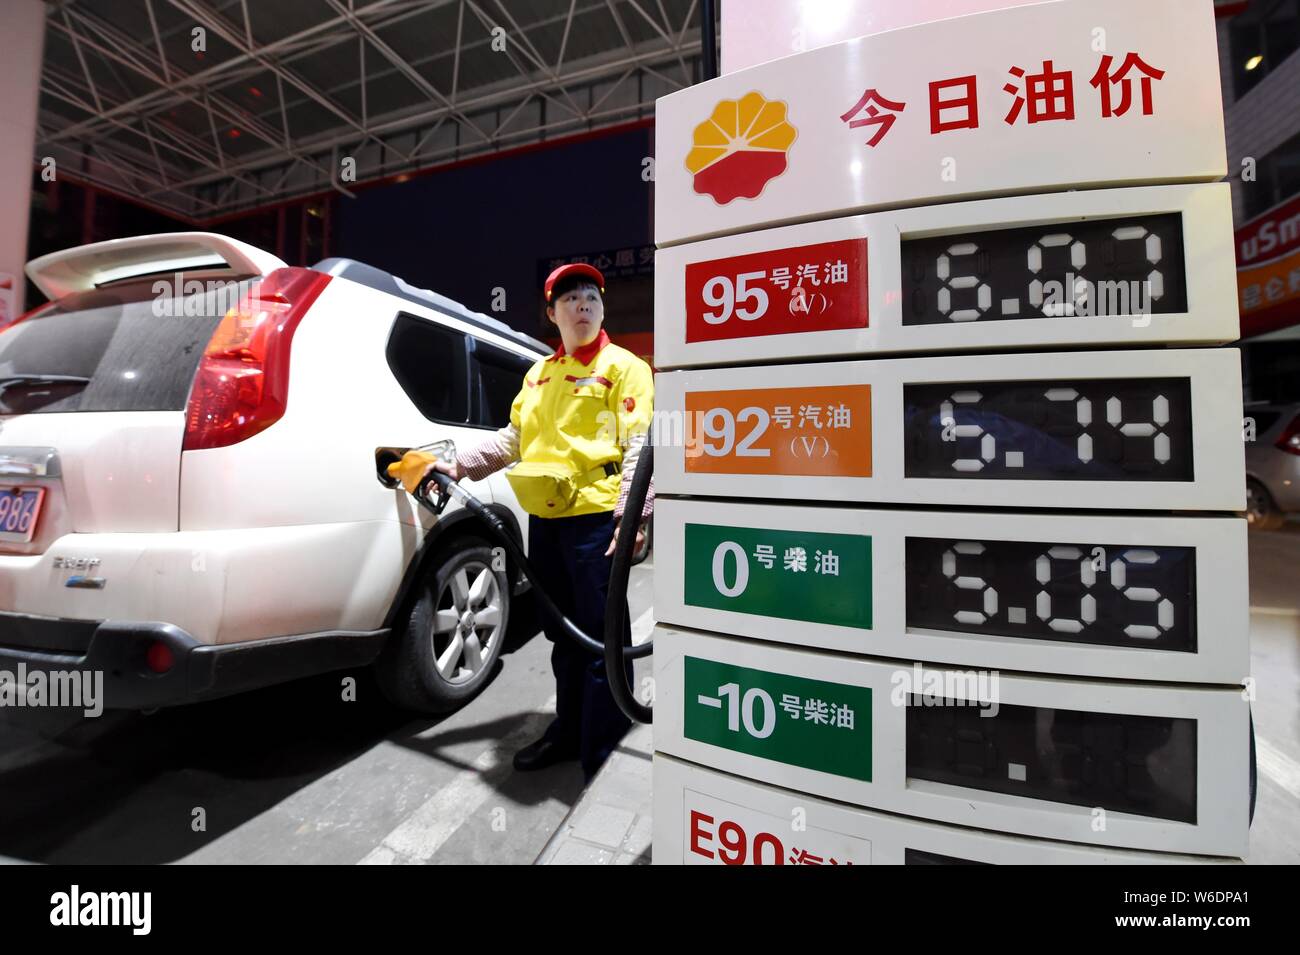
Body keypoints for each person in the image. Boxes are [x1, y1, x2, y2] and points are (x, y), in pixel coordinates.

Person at [427, 263, 653, 781]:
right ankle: (568, 732)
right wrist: (460, 463)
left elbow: (641, 444)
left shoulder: (625, 368)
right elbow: (513, 440)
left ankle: (603, 747)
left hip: (598, 520)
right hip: (548, 522)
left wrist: (634, 518)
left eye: (592, 297)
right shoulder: (539, 374)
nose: (583, 305)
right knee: (564, 636)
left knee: (600, 638)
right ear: (552, 313)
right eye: (570, 298)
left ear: (603, 309)